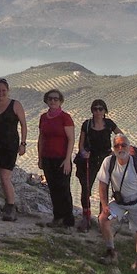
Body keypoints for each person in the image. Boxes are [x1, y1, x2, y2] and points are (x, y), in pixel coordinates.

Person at [97, 133, 137, 270]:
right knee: (104, 219)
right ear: (113, 148)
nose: (120, 148)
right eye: (117, 145)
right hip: (119, 204)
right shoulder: (109, 162)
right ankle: (111, 252)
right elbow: (102, 185)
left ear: (129, 147)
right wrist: (104, 206)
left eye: (123, 145)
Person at [74, 98, 121, 232]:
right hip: (90, 159)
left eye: (100, 109)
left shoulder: (109, 123)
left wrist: (116, 151)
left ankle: (103, 219)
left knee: (104, 190)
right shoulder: (87, 124)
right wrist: (83, 152)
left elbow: (121, 136)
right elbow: (81, 144)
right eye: (95, 109)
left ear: (105, 110)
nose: (98, 111)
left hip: (106, 159)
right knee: (86, 188)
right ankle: (86, 217)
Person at [0, 77, 27, 221]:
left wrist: (23, 144)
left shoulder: (15, 105)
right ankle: (8, 204)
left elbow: (23, 124)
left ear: (8, 90)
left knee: (5, 176)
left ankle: (11, 206)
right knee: (1, 176)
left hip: (10, 144)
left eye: (3, 90)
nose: (1, 92)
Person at [37, 88, 75, 227]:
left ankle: (68, 220)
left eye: (56, 99)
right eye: (50, 98)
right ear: (46, 100)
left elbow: (71, 139)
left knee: (64, 188)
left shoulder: (65, 117)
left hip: (61, 158)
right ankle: (57, 217)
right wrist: (40, 158)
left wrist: (67, 160)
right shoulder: (43, 118)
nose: (53, 101)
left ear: (60, 101)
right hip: (47, 157)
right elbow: (41, 138)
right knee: (53, 188)